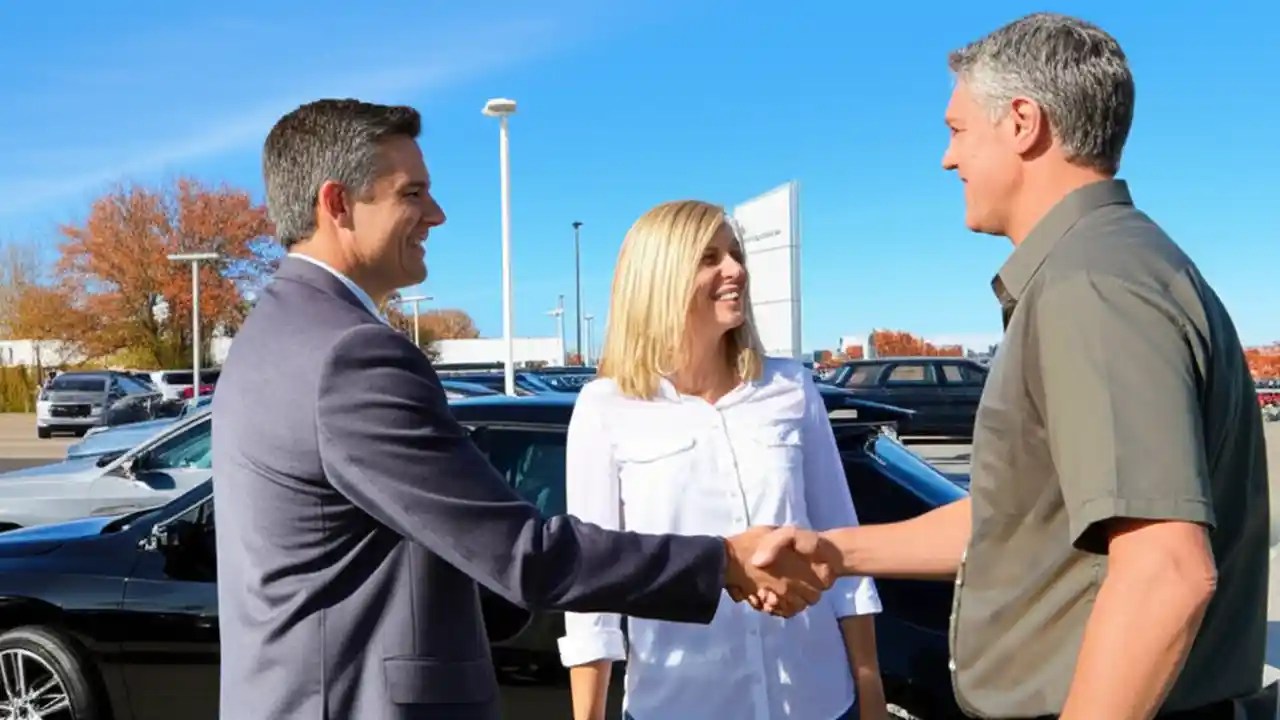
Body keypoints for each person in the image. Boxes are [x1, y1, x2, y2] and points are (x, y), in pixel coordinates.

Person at [211, 99, 835, 720]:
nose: (436, 214)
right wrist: (722, 560)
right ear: (338, 204)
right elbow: (520, 554)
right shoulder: (350, 355)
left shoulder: (275, 335)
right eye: (413, 194)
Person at [754, 12, 1272, 720]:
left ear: (1023, 123)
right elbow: (1018, 521)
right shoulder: (1113, 265)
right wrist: (834, 551)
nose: (948, 159)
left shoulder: (1091, 284)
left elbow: (1166, 571)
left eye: (958, 130)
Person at [558, 200, 886, 720]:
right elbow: (593, 585)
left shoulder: (791, 387)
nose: (736, 270)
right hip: (678, 705)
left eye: (736, 254)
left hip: (818, 701)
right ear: (659, 278)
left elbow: (841, 546)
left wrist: (870, 691)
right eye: (709, 258)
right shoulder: (607, 407)